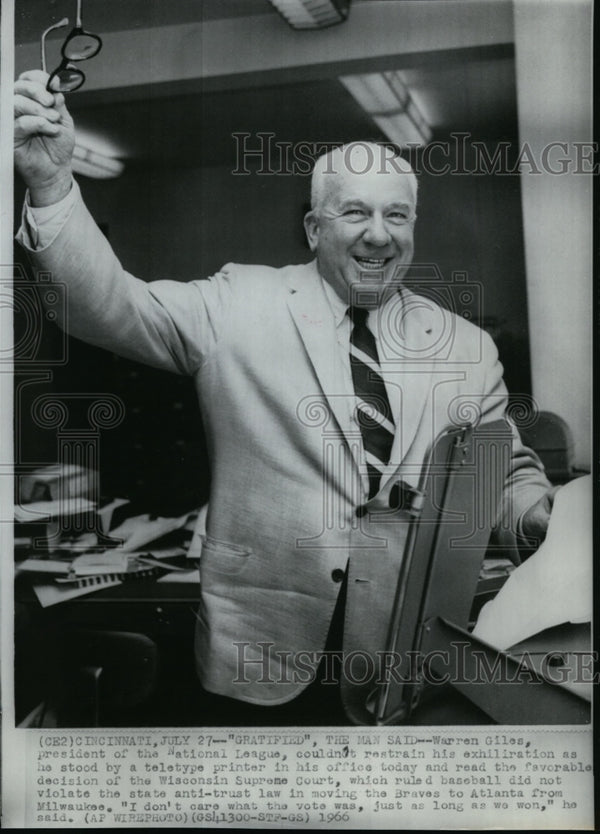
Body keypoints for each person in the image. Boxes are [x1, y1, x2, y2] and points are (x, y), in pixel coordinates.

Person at [14, 70, 555, 723]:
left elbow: (500, 473)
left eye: (396, 215)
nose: (378, 234)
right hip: (260, 660)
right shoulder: (237, 301)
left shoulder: (468, 347)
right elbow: (108, 309)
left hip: (407, 661)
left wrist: (536, 518)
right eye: (354, 212)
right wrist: (50, 183)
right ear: (311, 228)